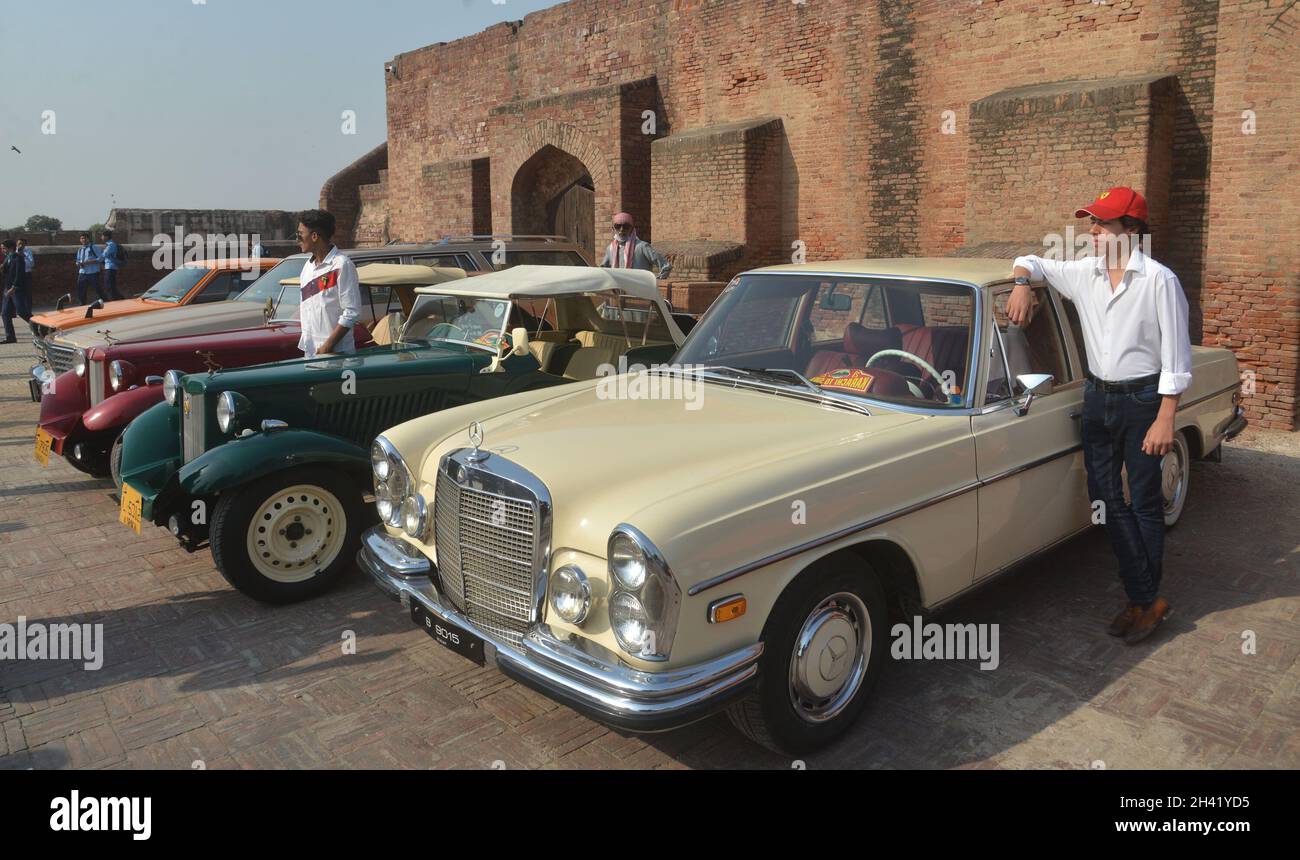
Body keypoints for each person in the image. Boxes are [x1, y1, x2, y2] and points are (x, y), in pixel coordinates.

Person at [1007, 186, 1192, 645]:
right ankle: (1147, 600)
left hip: (1145, 400)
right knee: (1106, 500)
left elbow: (1177, 357)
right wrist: (1020, 282)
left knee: (1145, 502)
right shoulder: (1082, 274)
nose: (1091, 232)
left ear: (1131, 231)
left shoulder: (1158, 281)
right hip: (1097, 399)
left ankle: (1140, 601)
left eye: (1102, 225)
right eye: (1092, 223)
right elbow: (1031, 259)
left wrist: (1166, 416)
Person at [294, 209, 360, 358]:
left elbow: (351, 312)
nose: (297, 239)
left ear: (315, 236)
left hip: (336, 354)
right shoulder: (307, 268)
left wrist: (327, 346)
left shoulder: (342, 265)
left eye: (300, 234)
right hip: (311, 352)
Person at [599, 212, 672, 279]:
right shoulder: (610, 248)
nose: (621, 230)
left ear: (632, 229)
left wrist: (656, 280)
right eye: (618, 226)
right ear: (613, 229)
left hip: (640, 290)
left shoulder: (642, 246)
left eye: (626, 226)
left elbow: (666, 265)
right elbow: (603, 270)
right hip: (618, 290)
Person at [2, 239, 32, 343]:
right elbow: (5, 269)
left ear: (10, 248)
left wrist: (13, 288)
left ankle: (41, 327)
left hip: (15, 289)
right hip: (7, 288)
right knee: (5, 313)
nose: (2, 250)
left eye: (4, 248)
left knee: (22, 312)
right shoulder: (8, 258)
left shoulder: (18, 258)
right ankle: (10, 337)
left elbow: (19, 275)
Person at [74, 232, 107, 305]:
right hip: (82, 272)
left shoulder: (94, 247)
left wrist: (89, 262)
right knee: (81, 290)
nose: (83, 240)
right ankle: (82, 304)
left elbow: (101, 258)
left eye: (85, 238)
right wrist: (78, 264)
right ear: (80, 240)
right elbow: (78, 260)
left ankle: (106, 302)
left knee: (97, 289)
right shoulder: (80, 250)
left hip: (93, 272)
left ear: (88, 239)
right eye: (82, 238)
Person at [100, 230, 125, 300]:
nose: (101, 237)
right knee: (111, 286)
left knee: (109, 286)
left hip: (111, 267)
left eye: (102, 236)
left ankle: (115, 300)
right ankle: (120, 299)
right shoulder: (110, 244)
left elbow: (104, 255)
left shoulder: (111, 245)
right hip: (111, 267)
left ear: (106, 237)